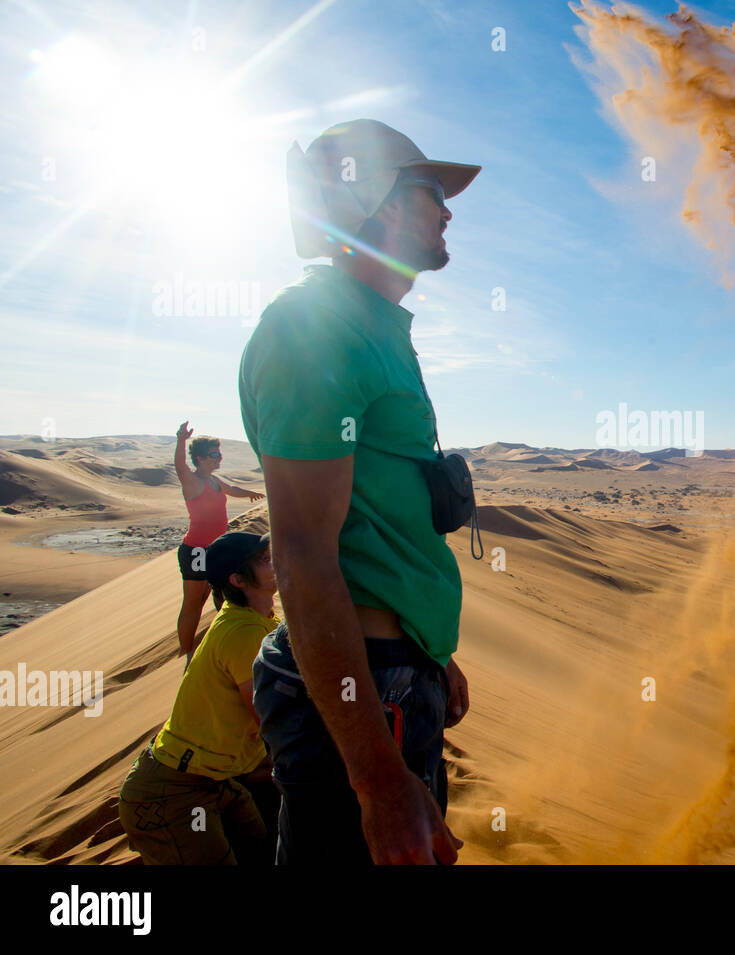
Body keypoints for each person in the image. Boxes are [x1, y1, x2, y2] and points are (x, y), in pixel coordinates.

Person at [239, 119, 476, 865]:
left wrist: (432, 647)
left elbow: (380, 523)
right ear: (381, 201)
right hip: (362, 696)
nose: (448, 210)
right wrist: (376, 778)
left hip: (397, 676)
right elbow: (304, 553)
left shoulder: (374, 327)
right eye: (432, 191)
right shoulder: (315, 329)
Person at [117, 532, 281, 865]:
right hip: (174, 791)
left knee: (263, 852)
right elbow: (270, 719)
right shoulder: (243, 632)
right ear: (237, 579)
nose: (276, 560)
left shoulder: (261, 623)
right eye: (264, 559)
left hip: (216, 781)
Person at [173, 422, 264, 659]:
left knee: (220, 594)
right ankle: (185, 652)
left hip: (216, 549)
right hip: (196, 550)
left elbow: (231, 488)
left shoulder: (215, 481)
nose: (219, 458)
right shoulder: (193, 482)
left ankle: (225, 641)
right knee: (194, 601)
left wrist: (251, 493)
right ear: (200, 459)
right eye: (214, 454)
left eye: (220, 453)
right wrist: (181, 440)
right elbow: (180, 467)